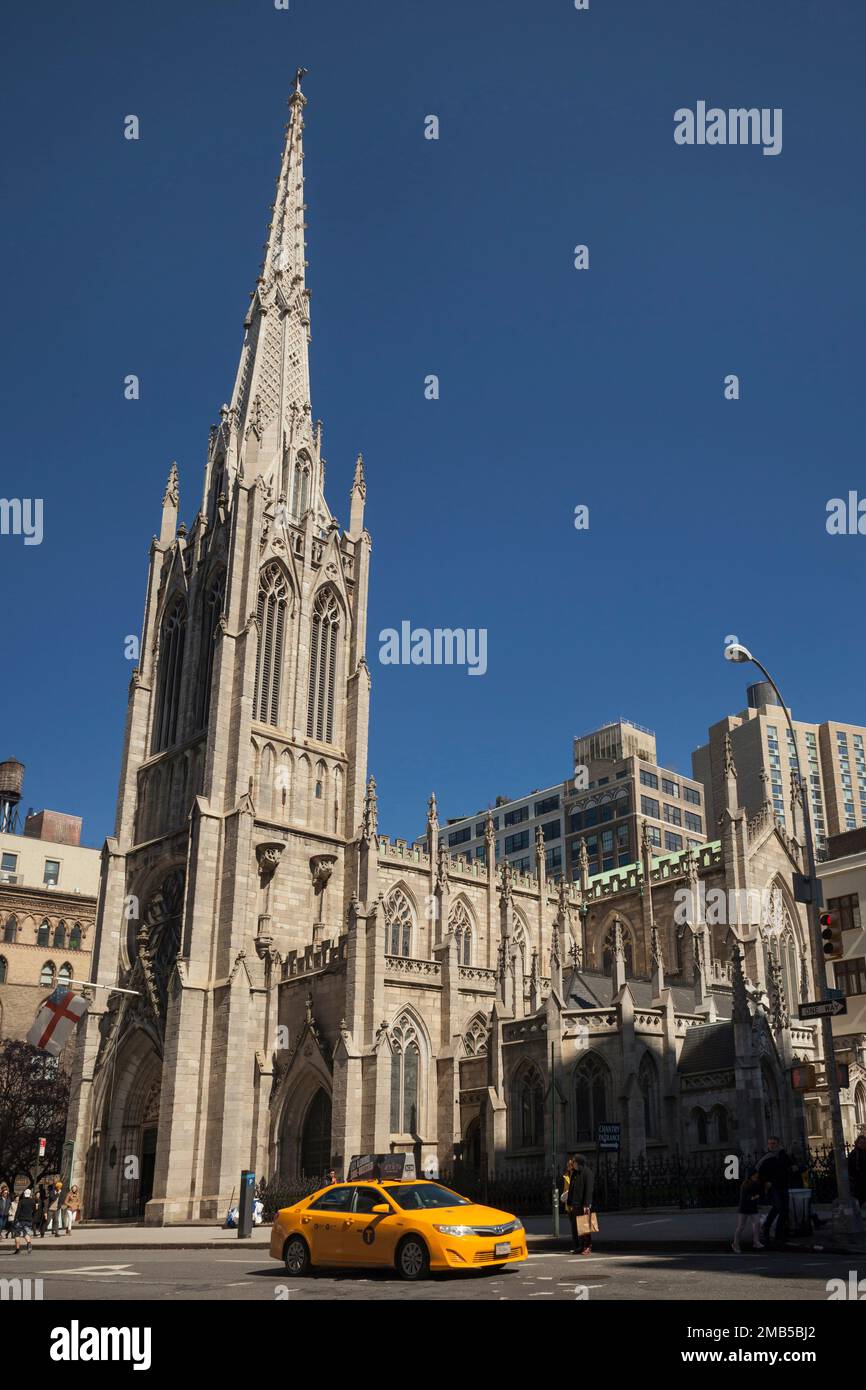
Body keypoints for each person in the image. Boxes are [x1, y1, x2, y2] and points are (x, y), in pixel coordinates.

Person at [757, 1136, 794, 1247]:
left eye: (773, 1143)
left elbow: (790, 1166)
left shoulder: (783, 1156)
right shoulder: (766, 1158)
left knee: (784, 1210)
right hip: (773, 1187)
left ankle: (779, 1233)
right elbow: (758, 1172)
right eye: (770, 1144)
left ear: (778, 1144)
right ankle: (766, 1227)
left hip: (783, 1185)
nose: (772, 1145)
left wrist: (795, 1168)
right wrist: (765, 1182)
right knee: (778, 1207)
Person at [566, 1154, 595, 1256]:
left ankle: (588, 1246)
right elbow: (571, 1189)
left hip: (584, 1205)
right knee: (579, 1228)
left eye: (573, 1161)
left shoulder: (588, 1173)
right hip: (575, 1204)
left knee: (586, 1227)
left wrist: (587, 1204)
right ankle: (581, 1246)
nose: (572, 1163)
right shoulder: (575, 1173)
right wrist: (569, 1202)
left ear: (578, 1162)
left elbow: (589, 1190)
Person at [732, 1168, 765, 1253]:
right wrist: (755, 1197)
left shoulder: (757, 1182)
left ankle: (756, 1241)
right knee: (741, 1226)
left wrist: (758, 1197)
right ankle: (735, 1243)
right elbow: (747, 1197)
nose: (757, 1175)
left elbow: (760, 1192)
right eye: (755, 1173)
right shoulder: (745, 1184)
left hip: (753, 1206)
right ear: (751, 1175)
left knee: (757, 1223)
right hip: (744, 1207)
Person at [13, 1188, 36, 1254]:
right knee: (26, 1233)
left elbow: (18, 1211)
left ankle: (17, 1249)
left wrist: (15, 1219)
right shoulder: (32, 1201)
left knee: (17, 1234)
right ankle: (29, 1243)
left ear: (24, 1194)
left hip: (20, 1220)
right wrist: (32, 1218)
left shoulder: (21, 1201)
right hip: (29, 1220)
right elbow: (34, 1211)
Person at [848, 1135, 866, 1210]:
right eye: (861, 1143)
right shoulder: (854, 1153)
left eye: (864, 1143)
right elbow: (850, 1166)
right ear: (857, 1143)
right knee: (859, 1197)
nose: (862, 1144)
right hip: (858, 1179)